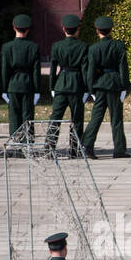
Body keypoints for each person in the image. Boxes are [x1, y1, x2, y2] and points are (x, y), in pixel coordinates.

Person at [81, 16, 128, 159]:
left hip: (100, 85)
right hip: (114, 84)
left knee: (96, 117)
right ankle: (119, 149)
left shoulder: (94, 48)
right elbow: (123, 68)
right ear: (111, 30)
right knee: (116, 119)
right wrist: (124, 87)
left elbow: (91, 71)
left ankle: (87, 145)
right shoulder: (119, 46)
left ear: (97, 31)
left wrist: (91, 89)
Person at [45, 15, 88, 157]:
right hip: (76, 85)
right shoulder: (83, 46)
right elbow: (85, 70)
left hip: (61, 84)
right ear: (77, 30)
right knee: (77, 119)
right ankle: (75, 150)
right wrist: (87, 88)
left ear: (63, 29)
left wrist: (52, 86)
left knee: (55, 118)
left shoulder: (56, 46)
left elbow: (53, 68)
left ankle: (49, 149)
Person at [0, 14, 38, 141]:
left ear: (14, 28)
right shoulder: (33, 47)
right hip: (28, 85)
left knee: (14, 116)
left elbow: (5, 70)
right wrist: (37, 90)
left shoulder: (7, 47)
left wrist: (4, 89)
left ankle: (16, 145)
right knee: (27, 117)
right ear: (28, 29)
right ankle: (28, 144)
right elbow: (35, 71)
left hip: (13, 84)